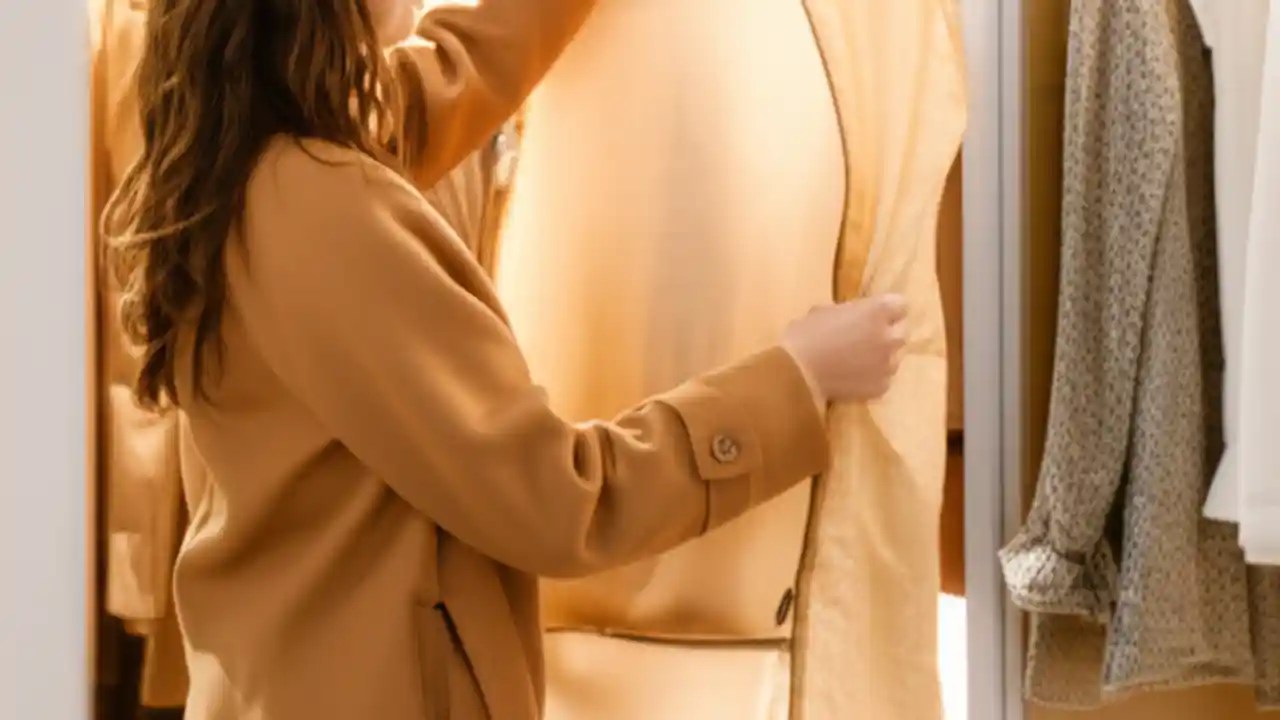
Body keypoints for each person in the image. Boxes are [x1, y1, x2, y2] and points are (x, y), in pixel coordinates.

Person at [103, 1, 908, 718]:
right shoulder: (325, 210)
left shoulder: (238, 159)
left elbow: (431, 92)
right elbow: (556, 501)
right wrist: (798, 380)